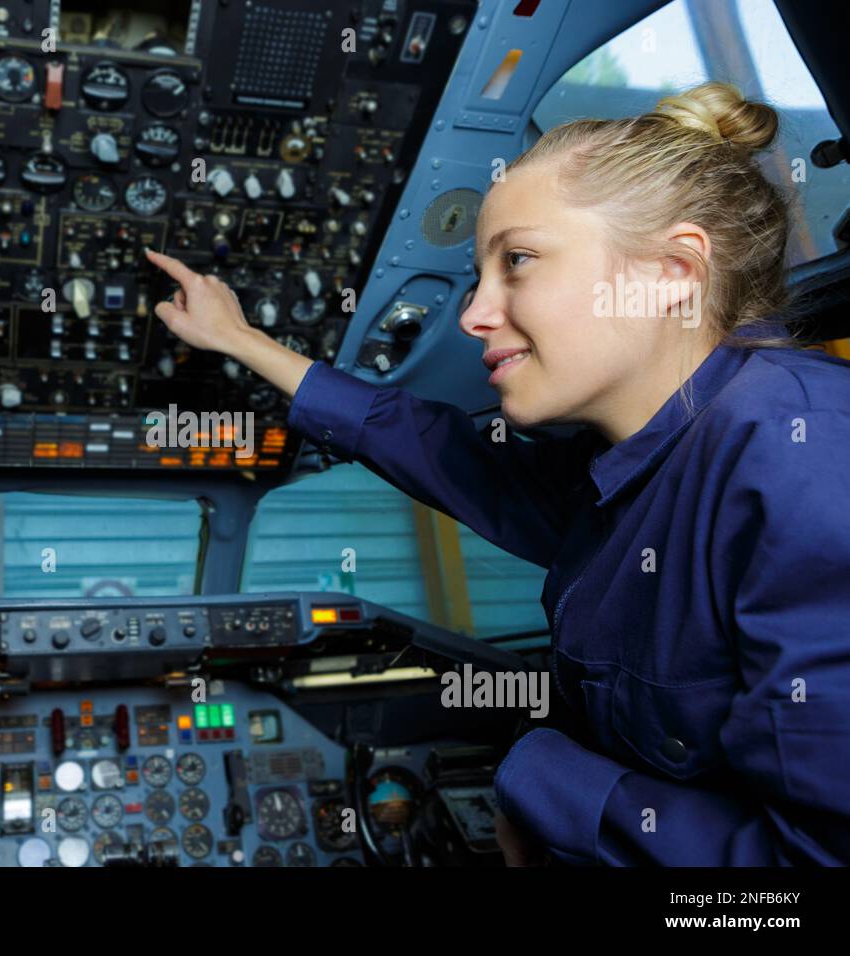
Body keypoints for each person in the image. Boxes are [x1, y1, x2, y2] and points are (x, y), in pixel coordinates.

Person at [145, 81, 850, 865]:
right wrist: (244, 343)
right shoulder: (630, 469)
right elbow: (441, 454)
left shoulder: (807, 459)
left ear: (674, 271)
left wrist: (546, 783)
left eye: (517, 261)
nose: (475, 313)